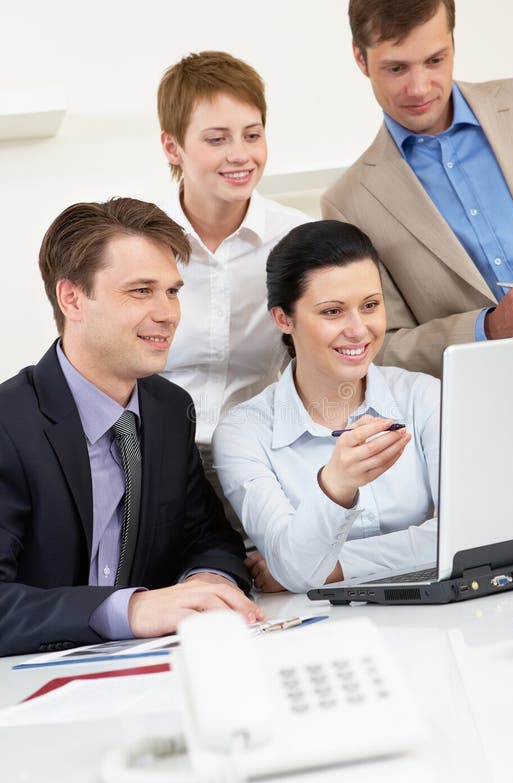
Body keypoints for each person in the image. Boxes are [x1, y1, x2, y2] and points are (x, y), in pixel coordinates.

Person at [0, 198, 264, 657]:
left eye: (173, 291)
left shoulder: (168, 409)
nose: (168, 314)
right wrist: (130, 610)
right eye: (141, 291)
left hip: (150, 674)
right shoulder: (9, 424)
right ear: (72, 298)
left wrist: (205, 582)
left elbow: (209, 538)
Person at [322, 0, 513, 377]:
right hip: (495, 396)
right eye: (396, 68)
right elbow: (379, 349)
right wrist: (486, 328)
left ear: (453, 41)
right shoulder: (350, 203)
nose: (419, 88)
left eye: (435, 60)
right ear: (360, 59)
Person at [213, 220, 439, 594]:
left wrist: (336, 567)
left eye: (370, 305)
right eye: (333, 312)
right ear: (284, 319)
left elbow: (470, 532)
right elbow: (297, 571)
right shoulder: (243, 433)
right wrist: (336, 484)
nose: (358, 329)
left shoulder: (424, 398)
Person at [157, 50, 310, 497]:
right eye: (217, 139)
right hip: (152, 457)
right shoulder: (137, 242)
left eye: (252, 134)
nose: (240, 155)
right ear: (173, 146)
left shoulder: (296, 240)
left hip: (259, 457)